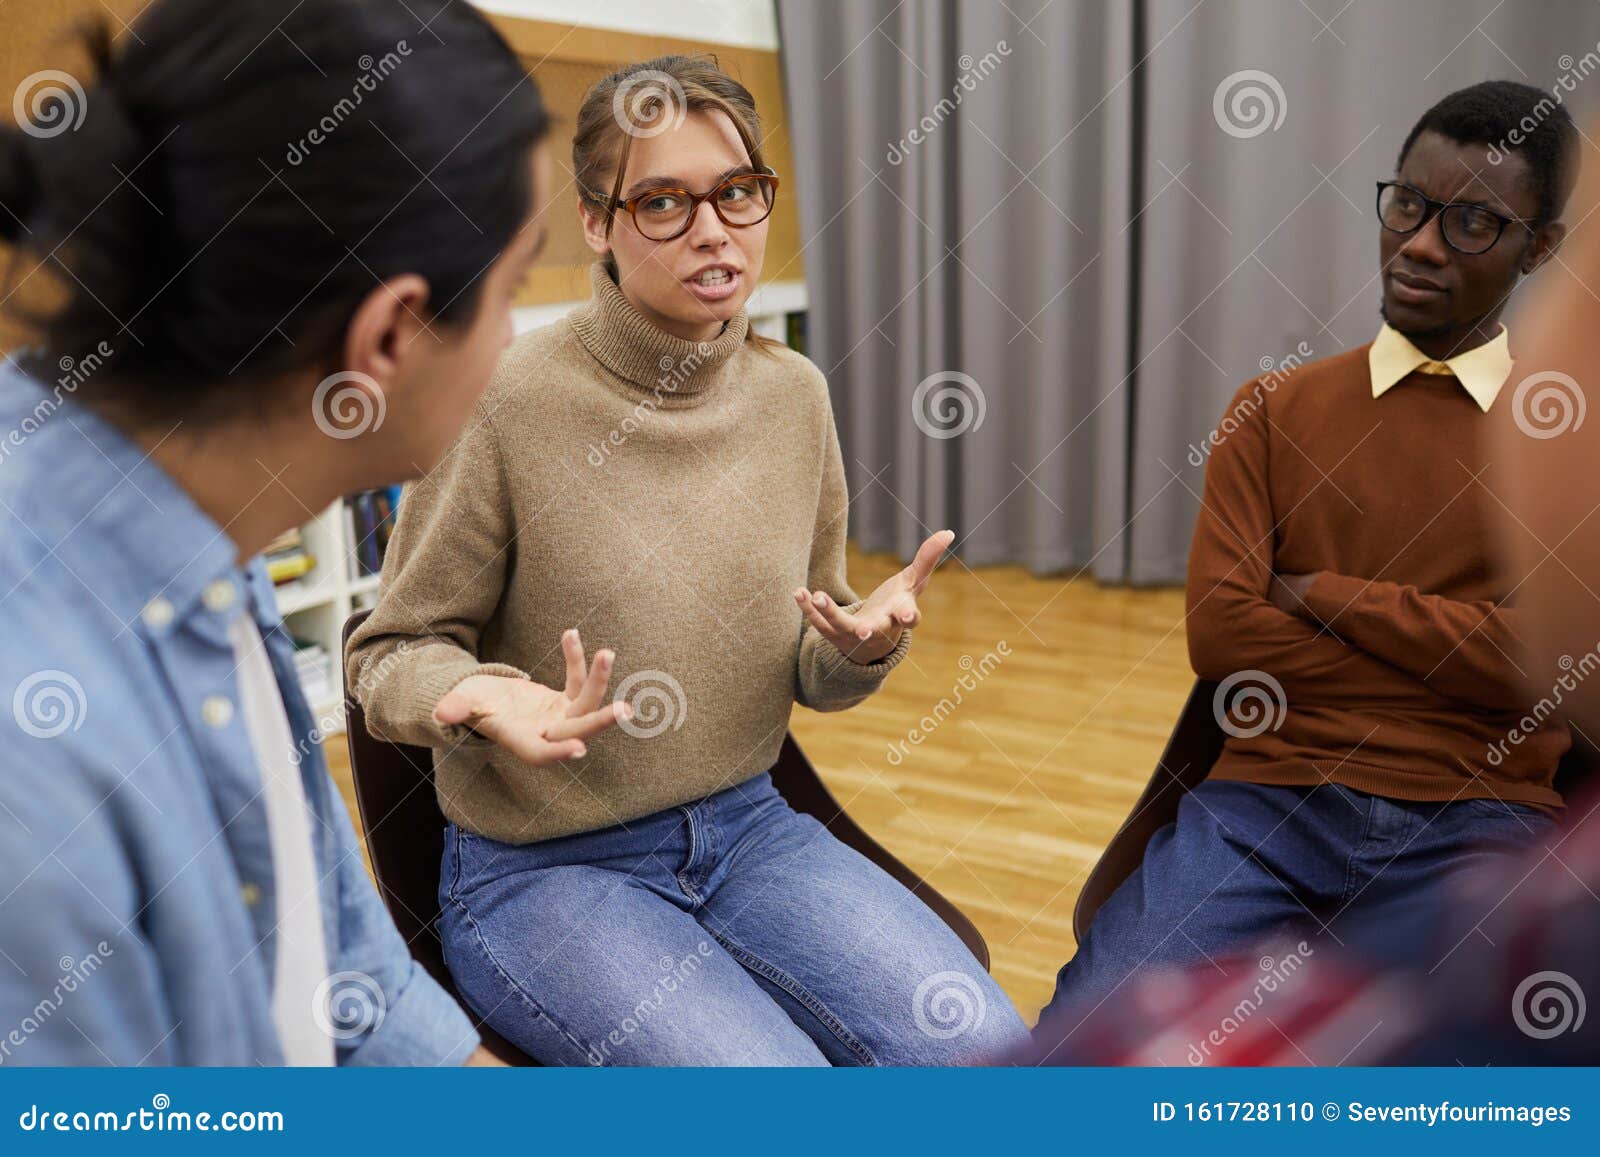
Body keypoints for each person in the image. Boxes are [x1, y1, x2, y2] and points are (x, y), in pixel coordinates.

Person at [345, 54, 1030, 1067]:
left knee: (986, 1048)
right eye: (662, 200)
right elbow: (386, 653)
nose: (713, 230)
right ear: (595, 222)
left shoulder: (792, 393)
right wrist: (482, 696)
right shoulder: (507, 400)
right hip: (542, 872)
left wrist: (856, 646)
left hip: (753, 829)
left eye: (738, 193)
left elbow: (810, 659)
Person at [0, 0, 573, 1065]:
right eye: (512, 289)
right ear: (390, 336)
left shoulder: (203, 521)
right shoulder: (36, 771)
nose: (510, 341)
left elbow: (341, 972)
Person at [1039, 80, 1580, 1030]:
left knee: (1489, 1086)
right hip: (1269, 807)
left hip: (1480, 819)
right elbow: (1225, 640)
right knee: (1088, 1037)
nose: (1418, 242)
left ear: (1541, 247)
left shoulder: (1566, 439)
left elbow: (1547, 666)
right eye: (1408, 203)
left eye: (1471, 223)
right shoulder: (1270, 411)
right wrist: (1462, 653)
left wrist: (1320, 592)